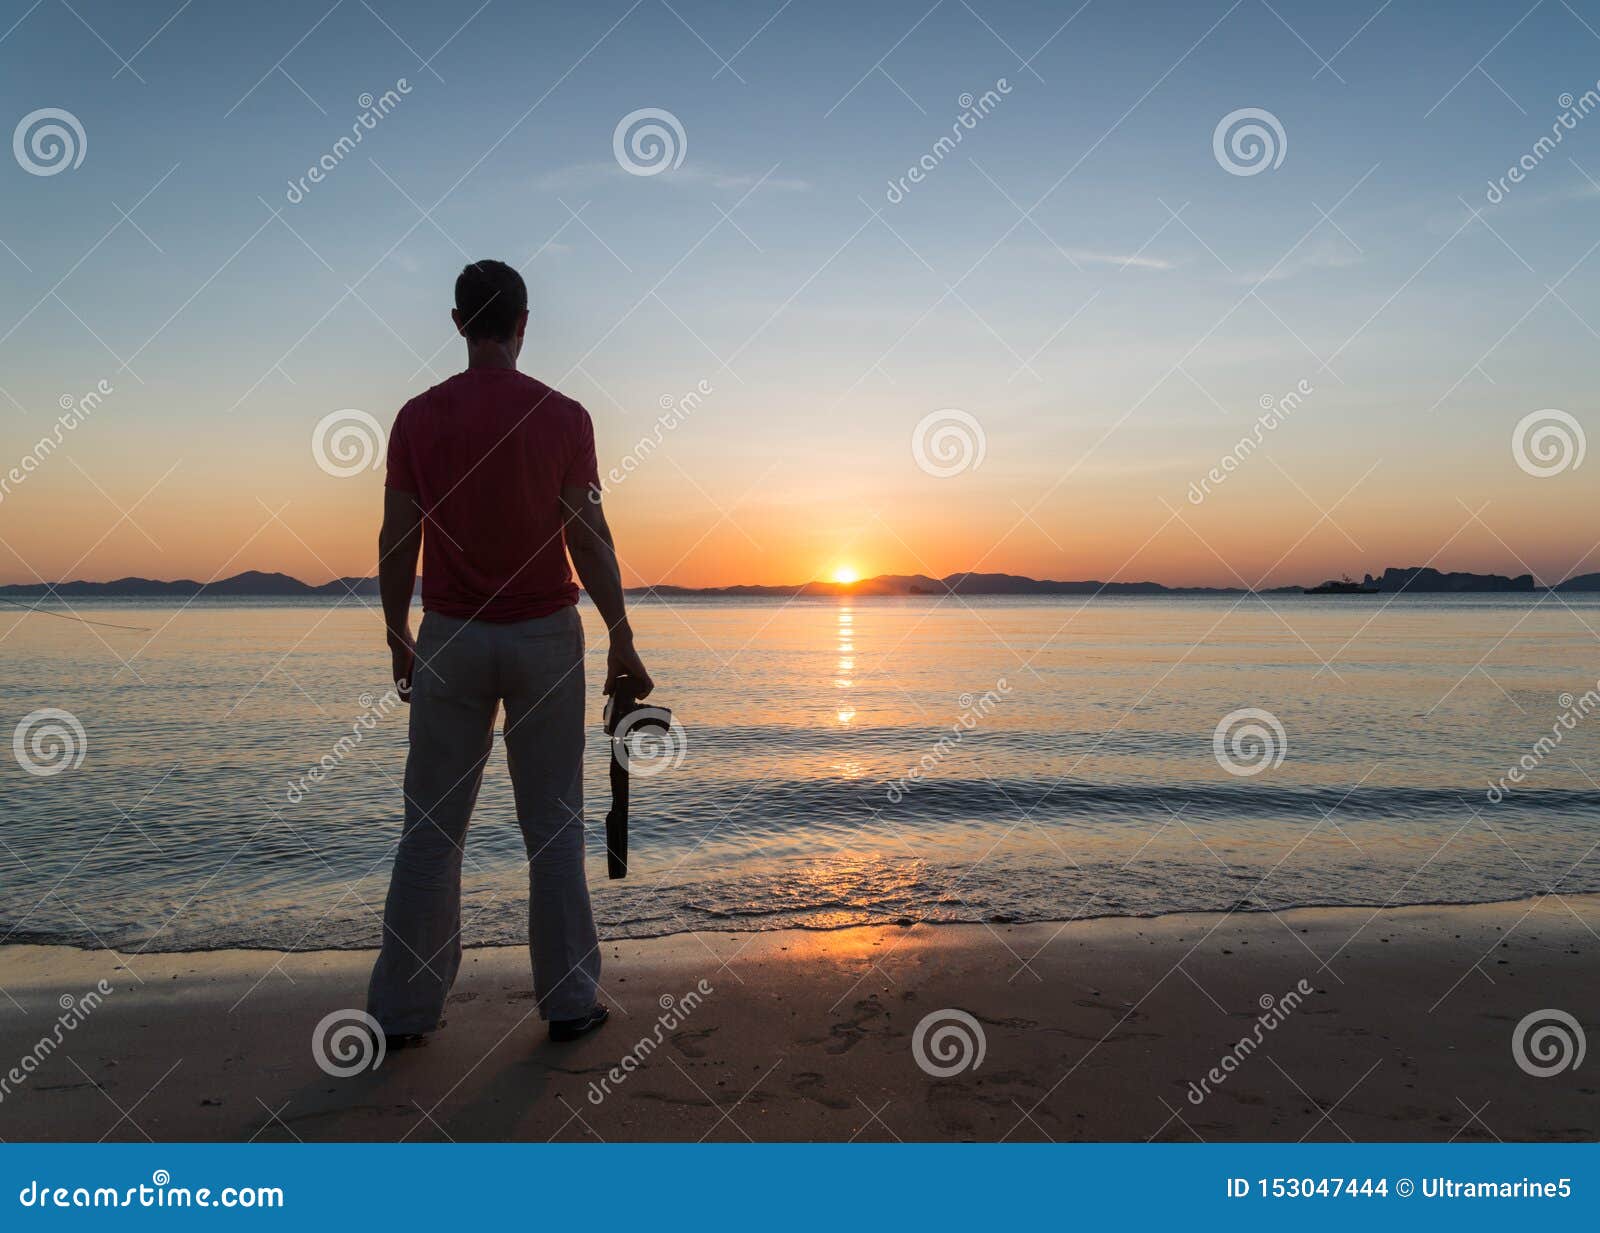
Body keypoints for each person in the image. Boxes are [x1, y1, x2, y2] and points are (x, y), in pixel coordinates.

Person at [366, 259, 651, 1045]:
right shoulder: (564, 416)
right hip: (544, 638)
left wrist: (397, 632)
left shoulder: (417, 417)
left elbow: (398, 540)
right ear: (524, 323)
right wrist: (621, 632)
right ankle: (567, 1002)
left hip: (453, 636)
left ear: (458, 323)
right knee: (553, 827)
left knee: (430, 827)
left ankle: (401, 1013)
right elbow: (587, 537)